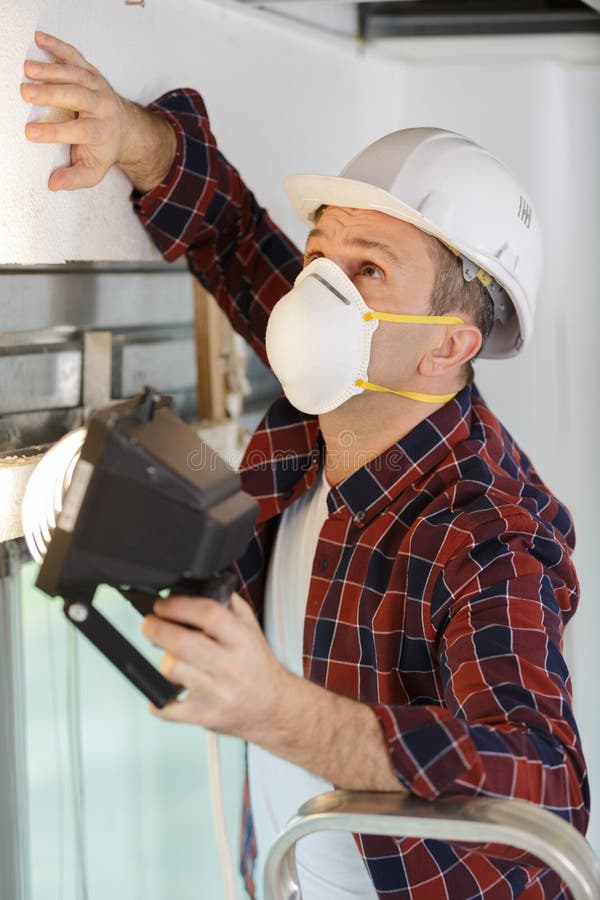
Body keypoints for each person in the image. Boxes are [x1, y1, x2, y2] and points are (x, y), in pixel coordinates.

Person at [22, 31, 589, 900]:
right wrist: (128, 135)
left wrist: (278, 712)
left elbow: (542, 783)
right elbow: (232, 234)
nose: (320, 291)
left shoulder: (489, 531)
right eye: (323, 253)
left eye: (368, 271)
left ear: (448, 346)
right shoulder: (332, 395)